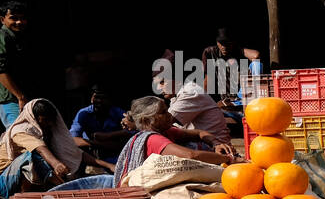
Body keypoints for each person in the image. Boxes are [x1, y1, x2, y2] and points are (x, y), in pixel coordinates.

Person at [56, 96, 235, 191]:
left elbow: (197, 133)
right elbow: (191, 156)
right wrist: (228, 159)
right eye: (164, 112)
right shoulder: (153, 139)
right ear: (149, 121)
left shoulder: (165, 130)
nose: (170, 116)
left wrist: (214, 142)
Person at [0, 99, 114, 199]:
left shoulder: (46, 132)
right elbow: (40, 149)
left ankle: (57, 192)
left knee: (47, 158)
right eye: (44, 120)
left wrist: (108, 165)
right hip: (4, 180)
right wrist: (56, 164)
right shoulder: (20, 131)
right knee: (31, 158)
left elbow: (74, 153)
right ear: (35, 118)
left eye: (51, 120)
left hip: (28, 176)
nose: (49, 124)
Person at [156, 72, 233, 148]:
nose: (158, 88)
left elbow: (161, 123)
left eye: (162, 82)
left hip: (214, 146)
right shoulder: (177, 95)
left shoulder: (190, 93)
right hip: (202, 142)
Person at [69, 85, 130, 164]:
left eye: (103, 98)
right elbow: (72, 139)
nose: (99, 101)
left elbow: (132, 130)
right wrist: (99, 144)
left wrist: (107, 135)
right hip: (91, 156)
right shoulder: (83, 113)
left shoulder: (117, 112)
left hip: (114, 155)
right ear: (91, 99)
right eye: (96, 97)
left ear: (109, 100)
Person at [0, 1, 33, 127]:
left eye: (22, 18)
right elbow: (1, 71)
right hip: (10, 98)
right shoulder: (3, 37)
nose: (19, 22)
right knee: (20, 134)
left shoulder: (18, 37)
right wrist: (20, 96)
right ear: (3, 19)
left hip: (19, 96)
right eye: (14, 18)